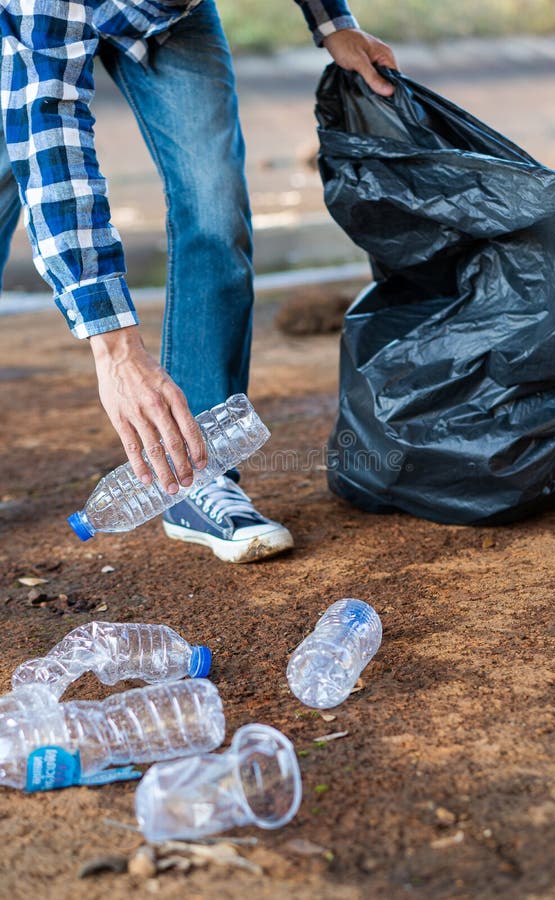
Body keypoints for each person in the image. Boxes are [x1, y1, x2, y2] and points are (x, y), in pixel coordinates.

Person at [0, 0, 396, 562]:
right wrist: (115, 350)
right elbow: (52, 152)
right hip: (35, 28)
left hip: (168, 16)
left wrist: (333, 24)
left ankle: (194, 475)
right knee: (10, 171)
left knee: (215, 206)